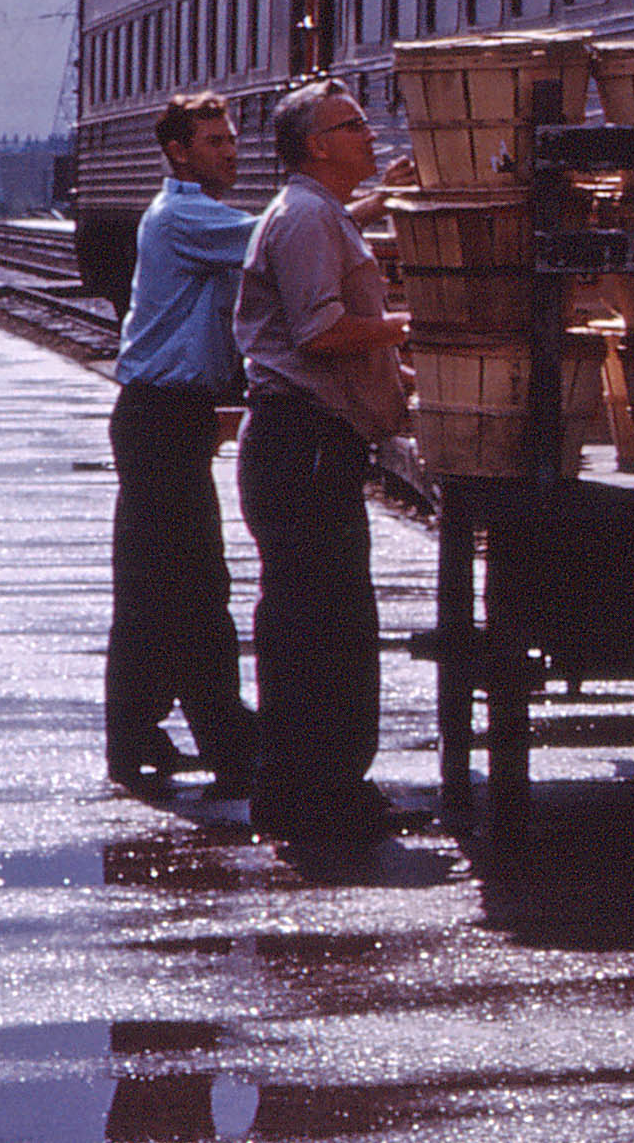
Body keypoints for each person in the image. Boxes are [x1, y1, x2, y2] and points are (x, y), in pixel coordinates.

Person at [232, 80, 414, 841]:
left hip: (304, 443)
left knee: (320, 619)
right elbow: (320, 331)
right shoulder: (307, 217)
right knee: (318, 622)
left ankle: (316, 783)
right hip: (302, 444)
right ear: (317, 145)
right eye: (353, 124)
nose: (371, 134)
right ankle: (312, 794)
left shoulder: (317, 212)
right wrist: (411, 328)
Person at [105, 94, 261, 798]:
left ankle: (139, 734)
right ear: (178, 152)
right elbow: (275, 240)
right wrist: (373, 204)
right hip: (159, 419)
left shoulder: (189, 214)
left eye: (231, 139)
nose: (230, 151)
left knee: (158, 589)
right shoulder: (184, 216)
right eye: (214, 141)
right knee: (193, 590)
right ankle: (225, 741)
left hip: (170, 419)